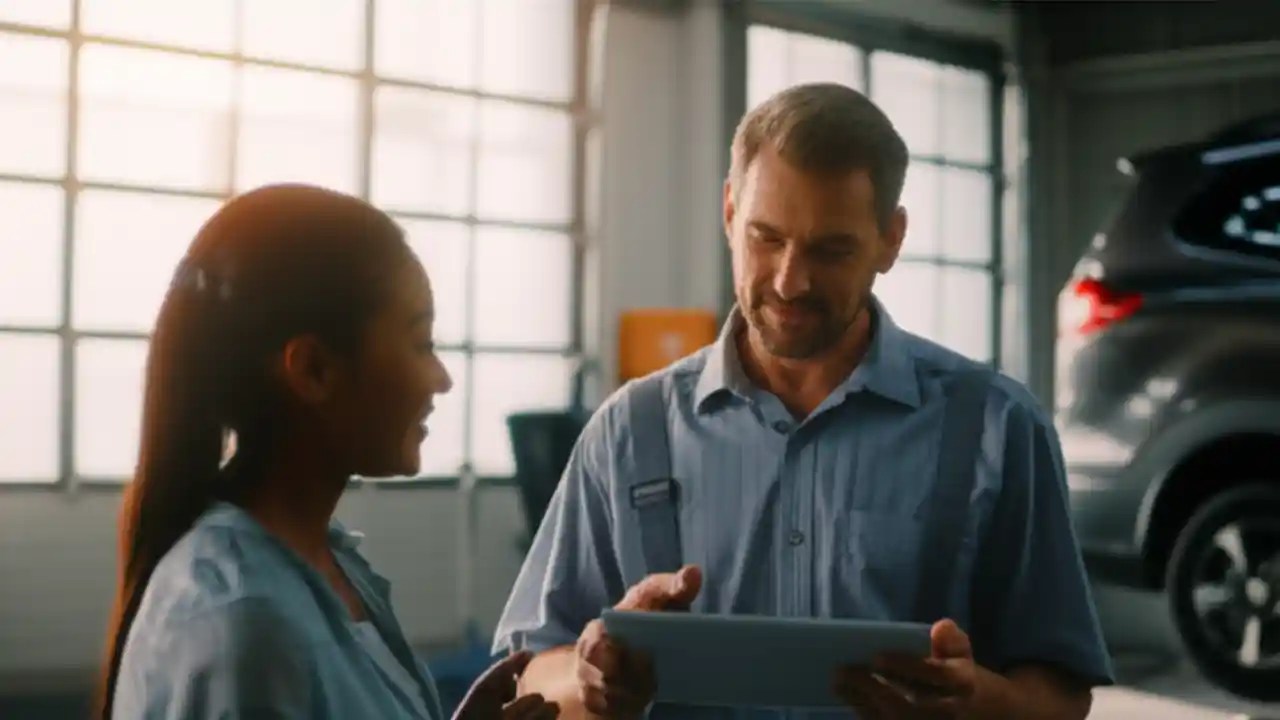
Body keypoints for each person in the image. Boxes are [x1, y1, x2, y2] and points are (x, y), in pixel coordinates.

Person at [492, 84, 1114, 720]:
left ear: (891, 240)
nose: (791, 280)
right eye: (767, 237)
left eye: (831, 249)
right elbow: (529, 676)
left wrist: (976, 704)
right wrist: (590, 678)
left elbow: (1062, 697)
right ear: (730, 212)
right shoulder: (628, 432)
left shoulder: (997, 428)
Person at [100, 184, 561, 720]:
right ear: (314, 369)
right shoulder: (243, 622)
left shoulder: (323, 564)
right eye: (421, 344)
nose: (441, 379)